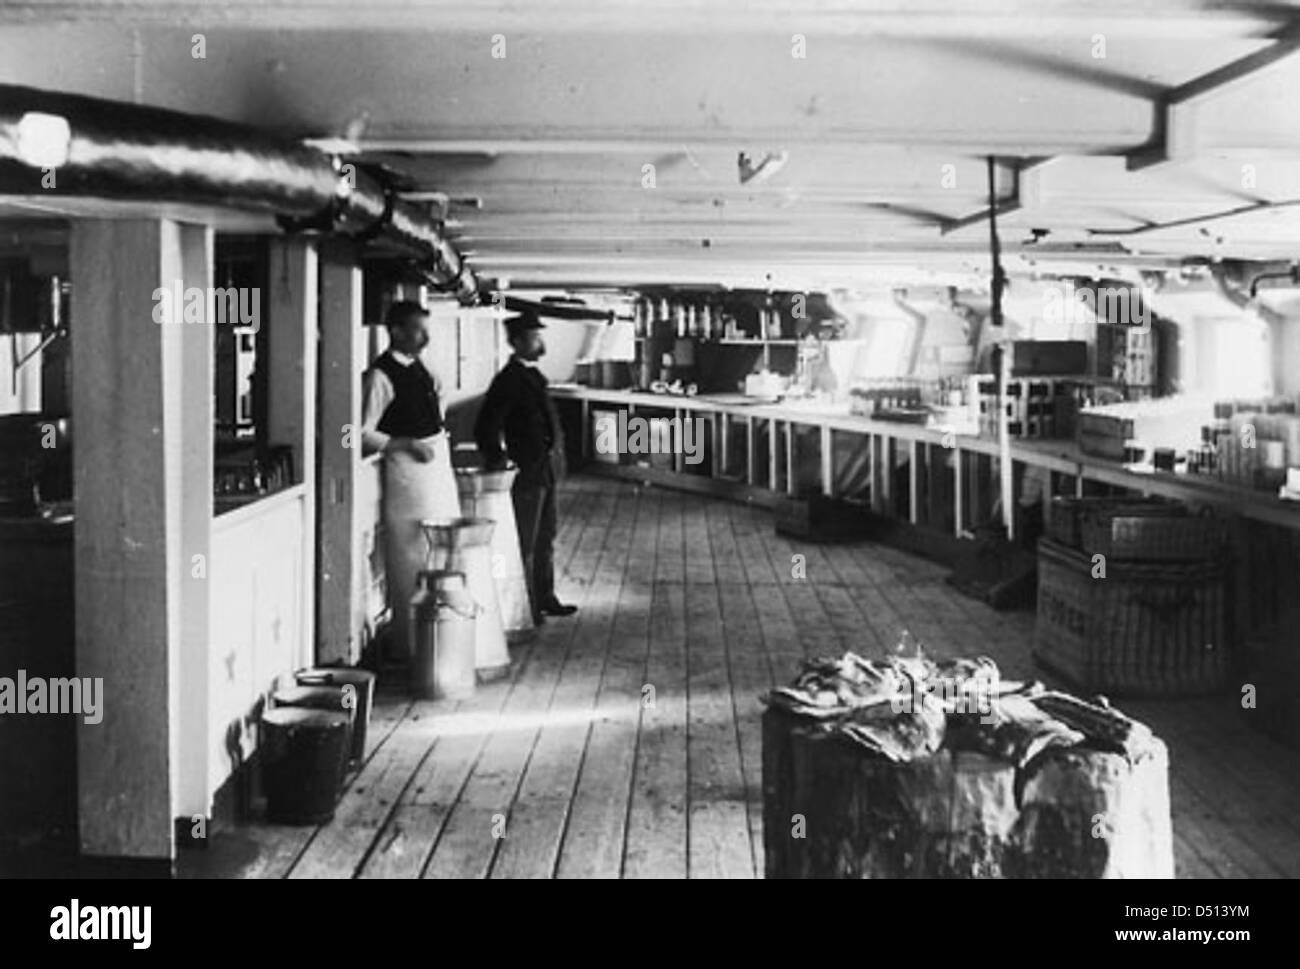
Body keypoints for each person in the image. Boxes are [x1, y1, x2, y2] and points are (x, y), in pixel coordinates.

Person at [361, 301, 461, 659]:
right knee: (411, 557)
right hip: (407, 477)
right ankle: (411, 646)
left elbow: (437, 409)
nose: (426, 337)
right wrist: (402, 443)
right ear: (397, 331)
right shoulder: (379, 377)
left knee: (439, 550)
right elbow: (357, 433)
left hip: (433, 471)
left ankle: (442, 637)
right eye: (418, 330)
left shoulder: (421, 370)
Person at [474, 310, 578, 625]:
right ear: (517, 342)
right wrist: (500, 459)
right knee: (526, 541)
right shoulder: (508, 380)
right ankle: (527, 607)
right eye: (534, 337)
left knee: (545, 536)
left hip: (543, 471)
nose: (540, 342)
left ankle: (544, 597)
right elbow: (485, 427)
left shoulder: (531, 376)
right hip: (526, 473)